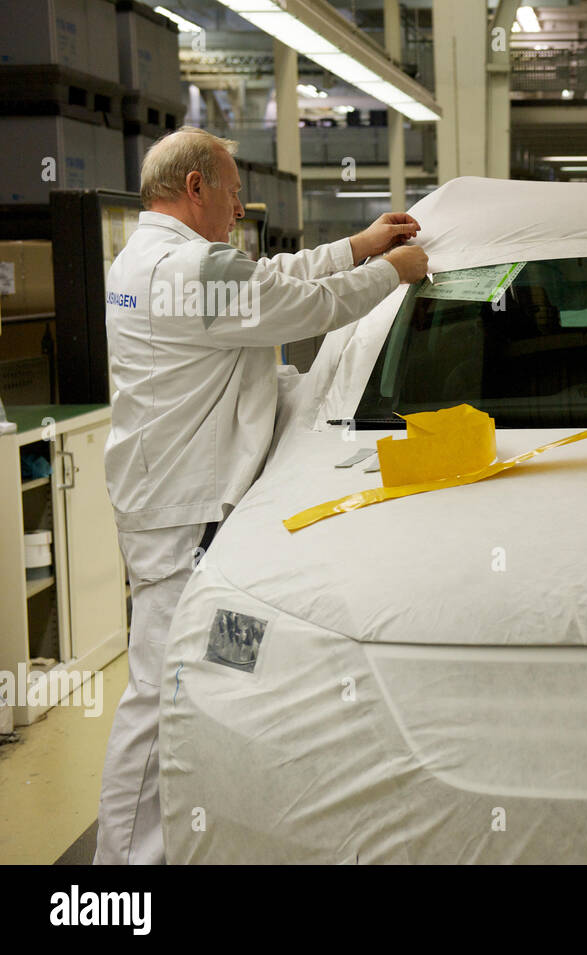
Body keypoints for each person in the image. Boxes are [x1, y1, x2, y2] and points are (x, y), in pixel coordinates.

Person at [96, 126, 429, 864]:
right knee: (159, 697)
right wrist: (390, 272)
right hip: (183, 517)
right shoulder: (185, 270)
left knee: (196, 680)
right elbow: (298, 308)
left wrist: (361, 246)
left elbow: (270, 279)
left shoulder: (151, 257)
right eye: (234, 191)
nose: (240, 206)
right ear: (195, 189)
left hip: (183, 507)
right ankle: (119, 874)